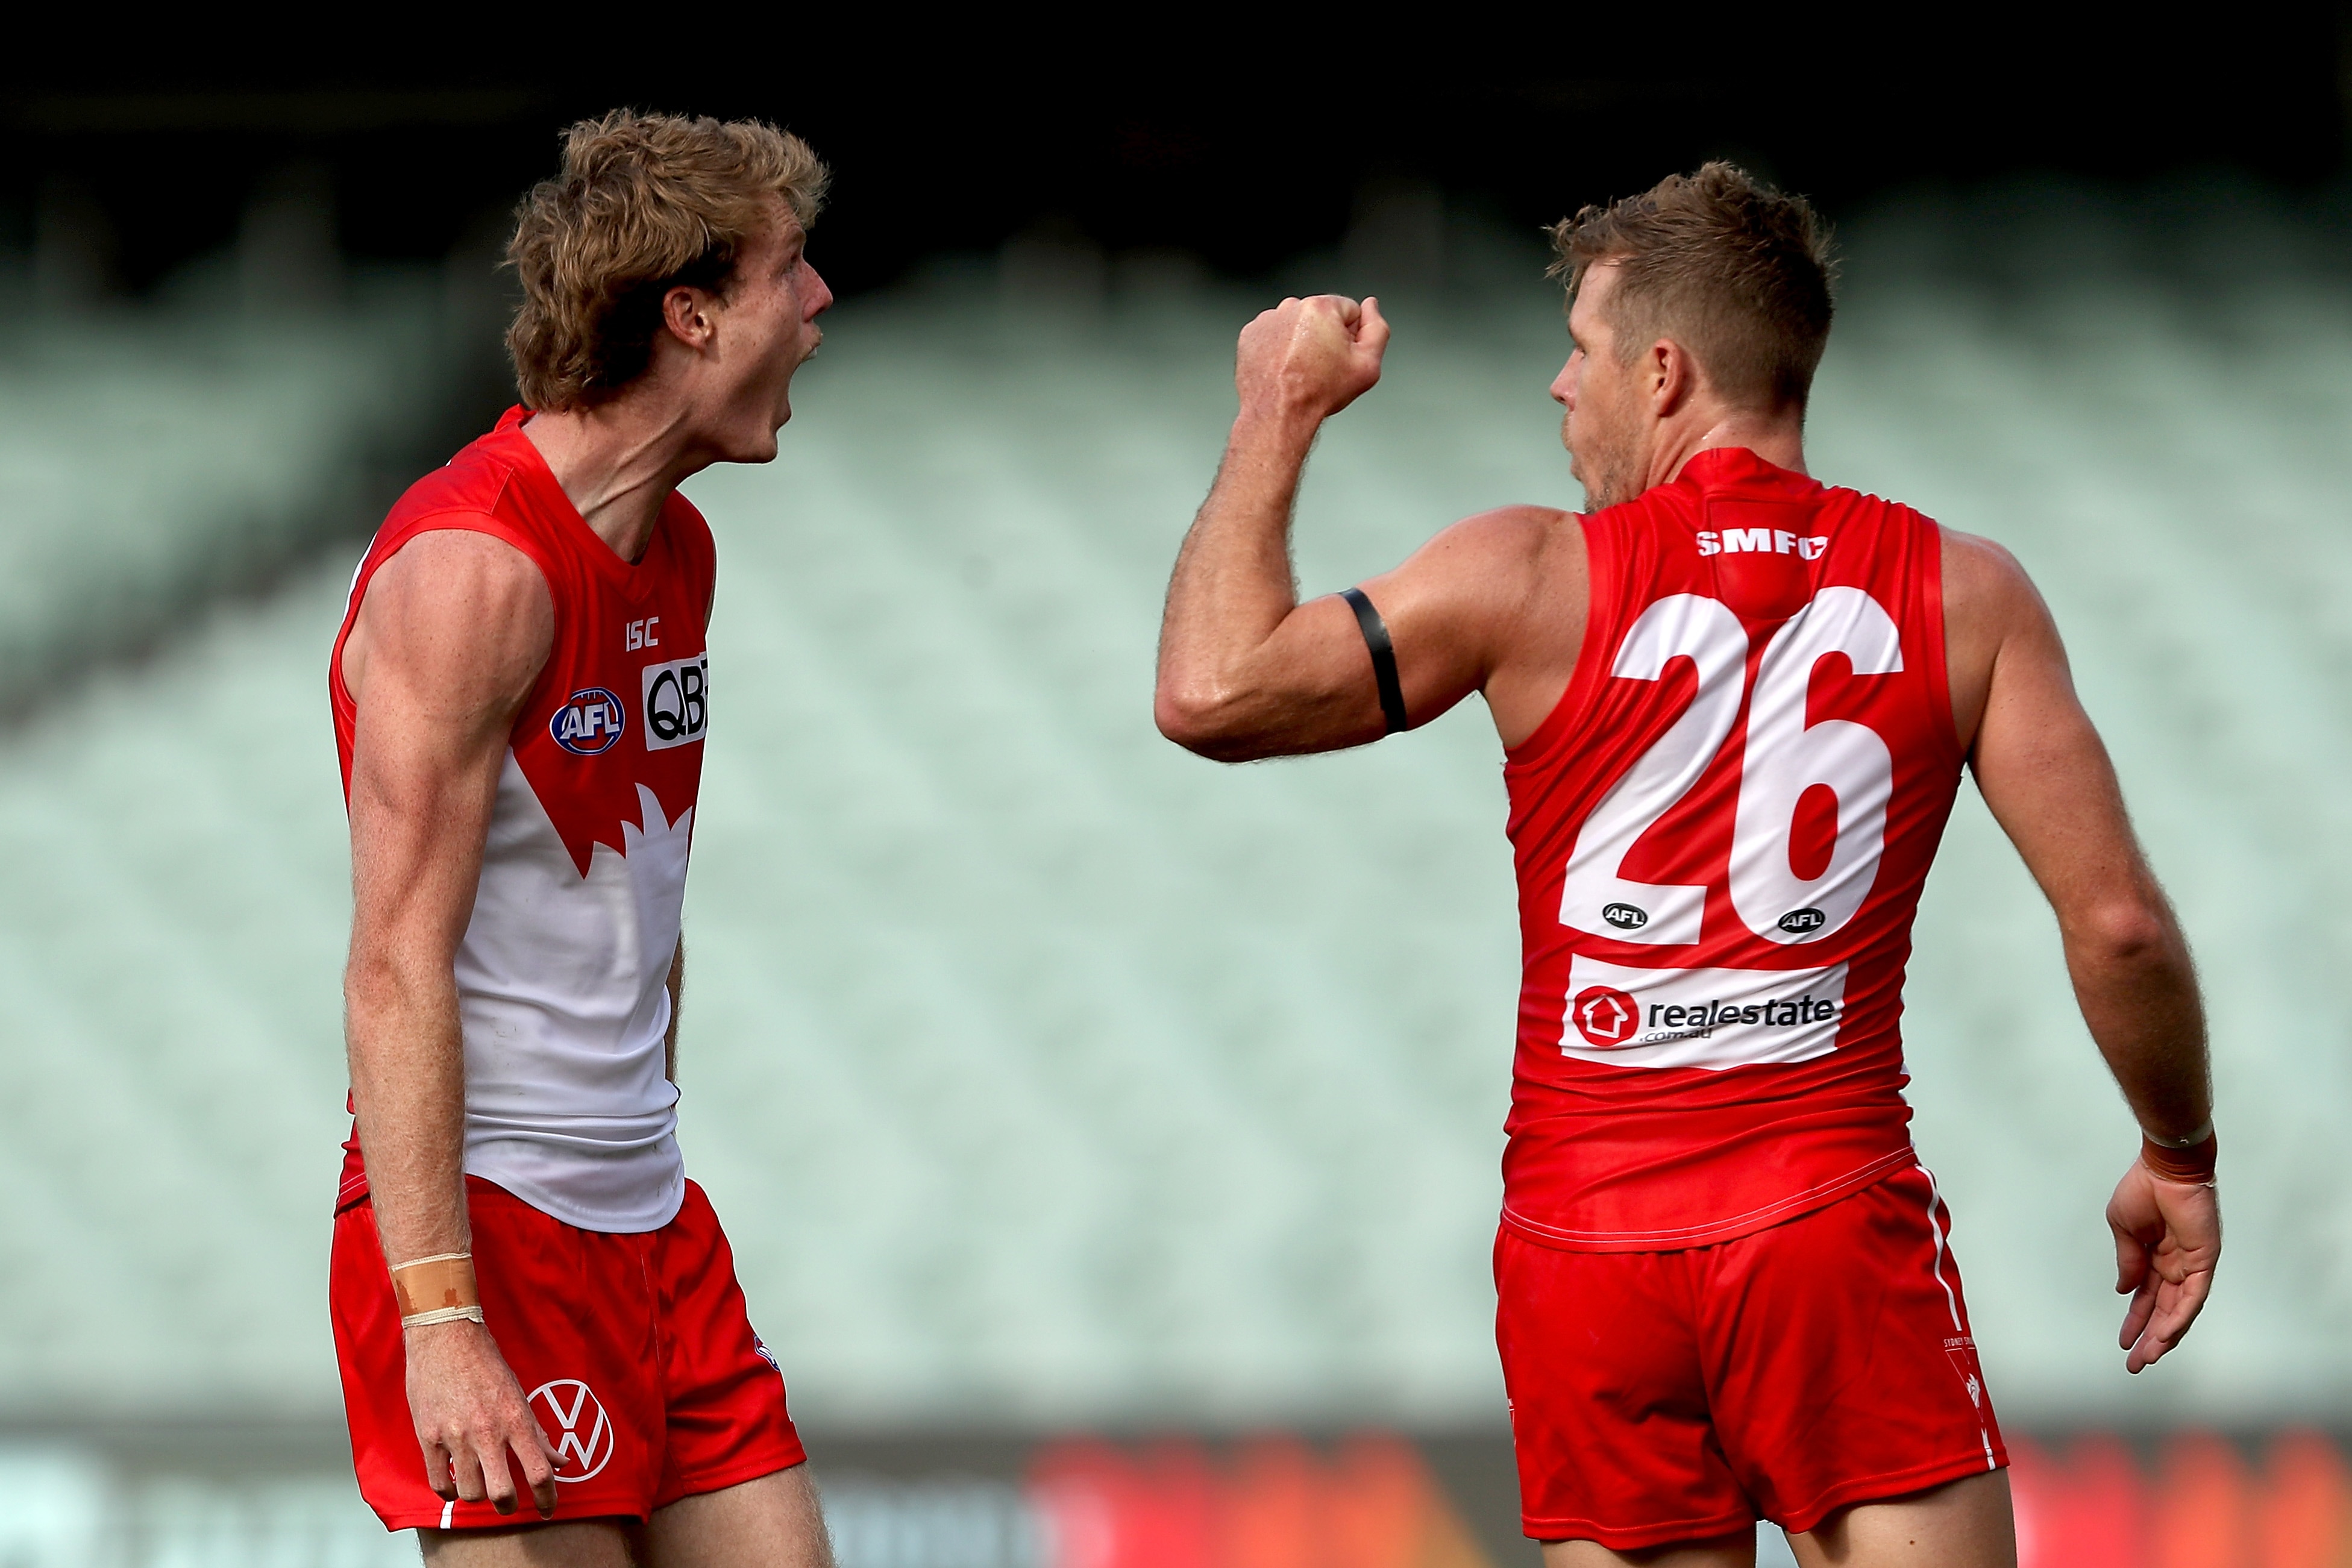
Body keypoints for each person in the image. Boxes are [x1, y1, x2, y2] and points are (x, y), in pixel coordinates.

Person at [1153, 163, 2219, 1567]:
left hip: (1581, 1246)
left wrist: (1275, 407)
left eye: (1579, 354)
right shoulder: (1963, 591)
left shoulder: (1525, 575)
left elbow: (1210, 691)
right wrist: (2175, 1154)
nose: (1557, 387)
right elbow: (2121, 923)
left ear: (1660, 374)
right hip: (1825, 1224)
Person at [328, 110, 835, 1566]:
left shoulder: (680, 547)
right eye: (786, 270)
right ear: (689, 313)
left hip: (653, 1212)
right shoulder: (474, 572)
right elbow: (391, 966)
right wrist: (442, 1324)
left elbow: (640, 908)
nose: (814, 304)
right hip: (491, 1231)